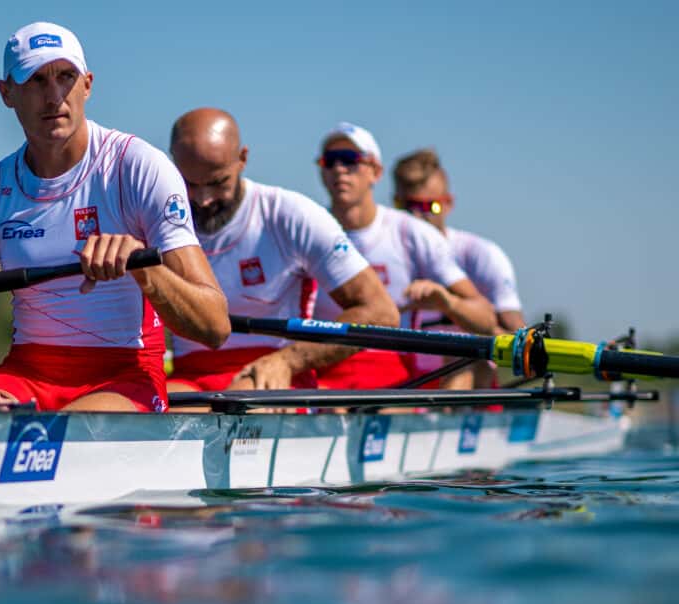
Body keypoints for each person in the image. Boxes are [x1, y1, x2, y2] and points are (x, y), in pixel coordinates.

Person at [0, 22, 229, 412]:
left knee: (55, 434)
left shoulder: (137, 167)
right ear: (7, 93)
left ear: (87, 85)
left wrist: (145, 268)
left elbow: (214, 326)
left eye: (65, 77)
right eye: (36, 80)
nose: (54, 95)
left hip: (125, 374)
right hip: (27, 371)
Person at [165, 108, 399, 393]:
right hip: (189, 375)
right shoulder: (157, 215)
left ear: (243, 159)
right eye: (190, 183)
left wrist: (288, 362)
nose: (202, 201)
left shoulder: (290, 215)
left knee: (229, 402)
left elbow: (381, 312)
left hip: (269, 373)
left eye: (218, 183)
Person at [313, 122, 496, 388]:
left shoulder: (412, 233)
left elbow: (486, 319)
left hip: (391, 371)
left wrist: (447, 302)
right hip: (321, 367)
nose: (340, 169)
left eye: (350, 160)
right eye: (330, 161)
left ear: (375, 171)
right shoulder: (307, 227)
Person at [392, 148, 526, 388]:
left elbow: (519, 341)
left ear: (448, 204)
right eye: (405, 205)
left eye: (428, 207)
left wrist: (452, 306)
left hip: (464, 379)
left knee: (462, 357)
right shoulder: (383, 254)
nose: (415, 218)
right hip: (405, 374)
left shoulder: (480, 255)